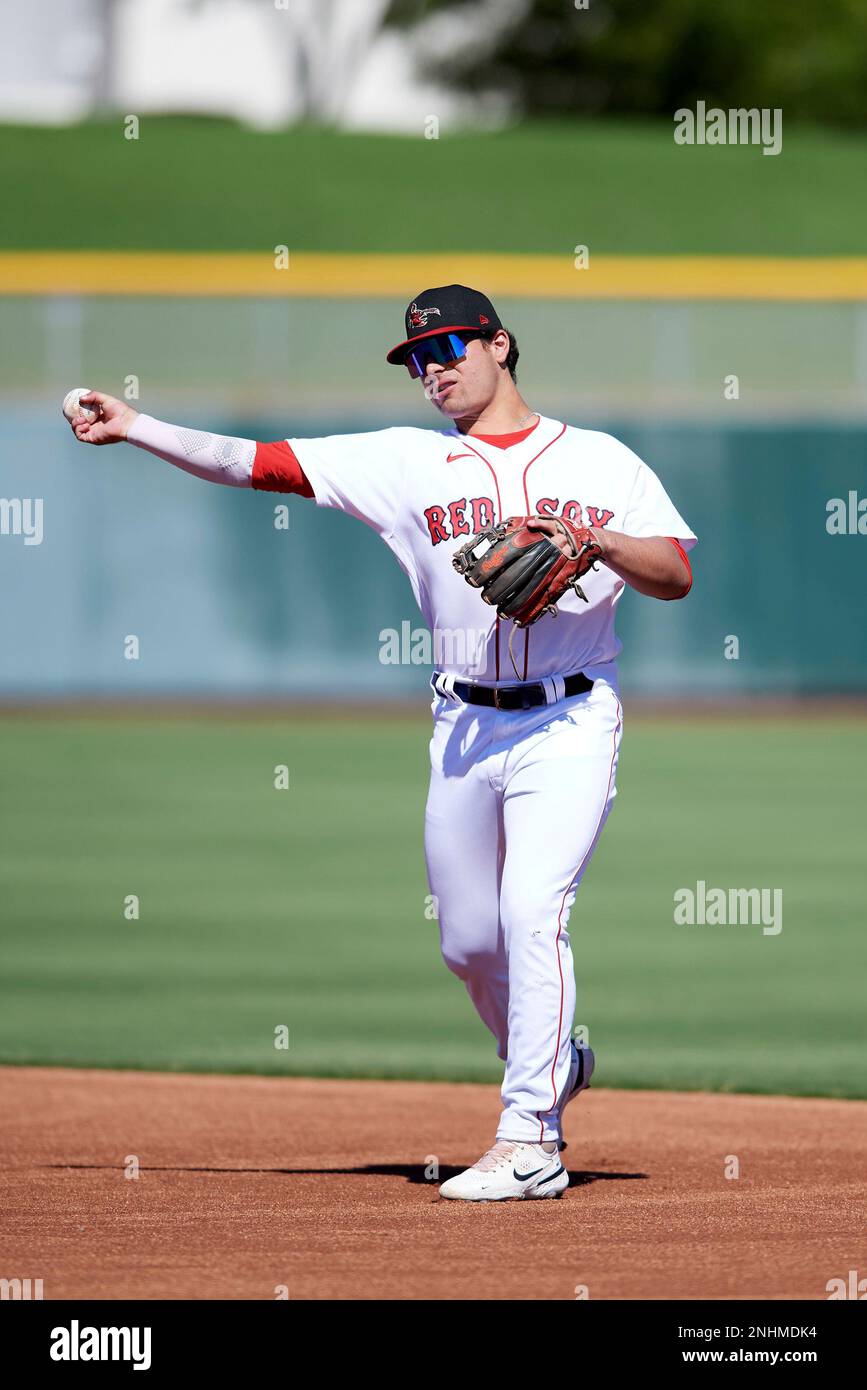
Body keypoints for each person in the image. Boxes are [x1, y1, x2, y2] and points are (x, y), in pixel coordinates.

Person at [69, 284, 696, 1202]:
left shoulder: (600, 461)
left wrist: (592, 538)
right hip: (463, 724)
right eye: (417, 360)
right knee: (468, 941)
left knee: (531, 912)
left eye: (449, 349)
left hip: (568, 717)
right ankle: (552, 1055)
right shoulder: (403, 463)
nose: (433, 370)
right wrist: (138, 426)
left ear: (501, 345)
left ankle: (530, 1139)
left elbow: (675, 574)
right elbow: (250, 462)